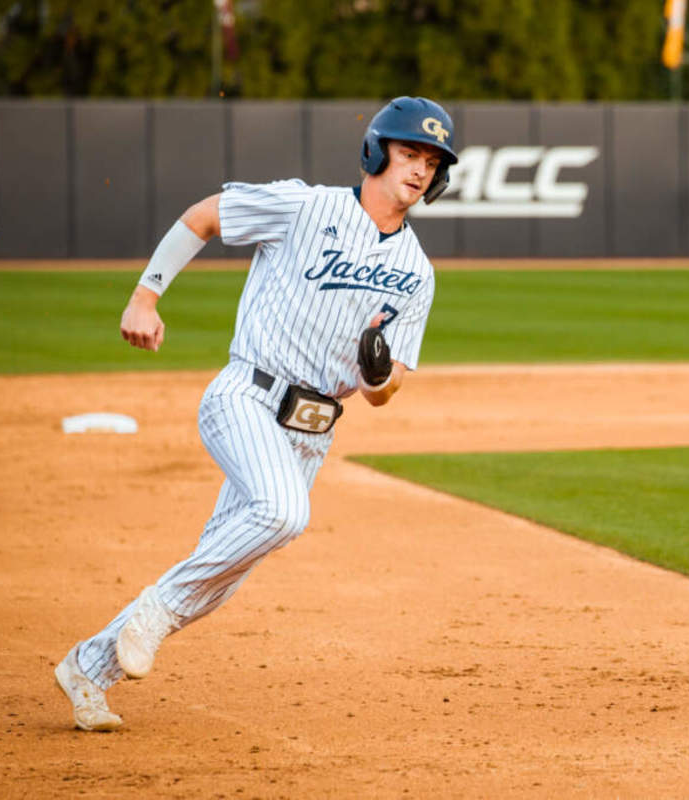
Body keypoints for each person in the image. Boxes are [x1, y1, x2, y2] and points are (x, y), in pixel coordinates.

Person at [54, 96, 459, 731]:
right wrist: (145, 296)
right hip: (246, 395)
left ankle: (87, 667)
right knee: (283, 513)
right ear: (376, 152)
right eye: (409, 153)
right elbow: (204, 217)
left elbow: (385, 390)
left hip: (310, 433)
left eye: (432, 163)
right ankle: (153, 611)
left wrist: (378, 372)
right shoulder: (305, 207)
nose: (419, 170)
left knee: (219, 578)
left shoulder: (417, 272)